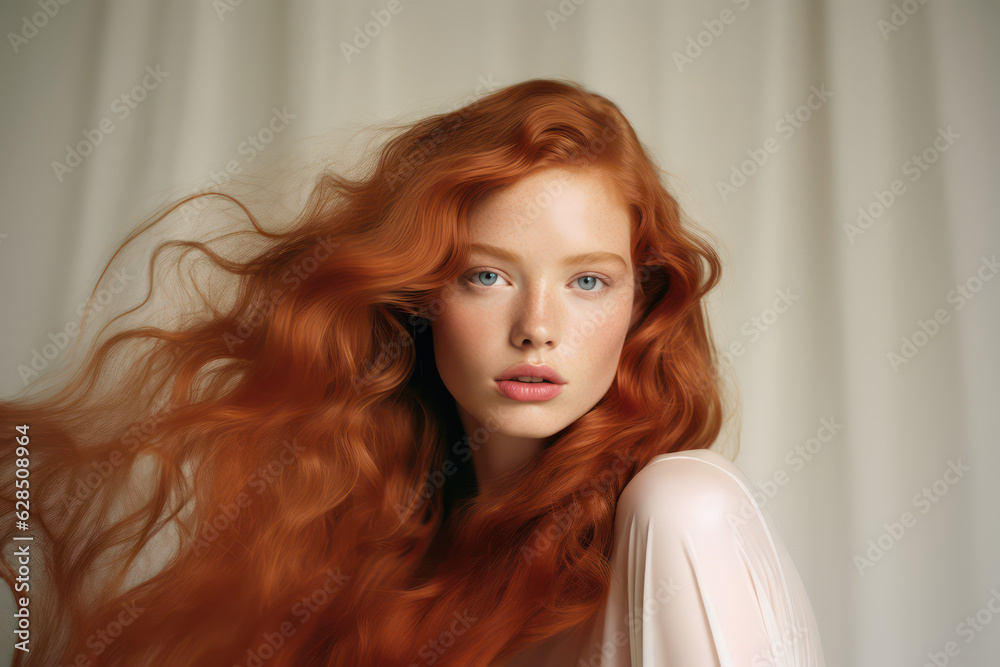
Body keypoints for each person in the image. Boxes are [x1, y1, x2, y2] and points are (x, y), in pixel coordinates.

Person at [0, 77, 825, 666]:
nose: (537, 328)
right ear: (422, 297)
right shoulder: (392, 559)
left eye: (587, 281)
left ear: (641, 304)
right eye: (488, 275)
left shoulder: (682, 512)